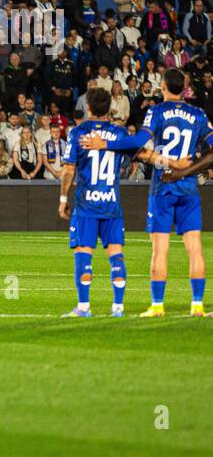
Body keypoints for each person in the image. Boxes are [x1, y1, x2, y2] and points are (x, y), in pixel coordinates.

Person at [82, 68, 210, 316]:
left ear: (162, 86)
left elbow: (136, 142)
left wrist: (105, 143)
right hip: (188, 188)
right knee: (195, 247)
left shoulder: (157, 111)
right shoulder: (198, 114)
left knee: (160, 248)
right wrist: (189, 167)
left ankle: (157, 305)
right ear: (184, 88)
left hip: (163, 187)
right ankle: (197, 305)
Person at [58, 88, 143, 318]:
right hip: (111, 204)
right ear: (109, 109)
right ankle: (118, 307)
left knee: (83, 253)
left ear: (88, 107)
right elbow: (136, 155)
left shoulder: (78, 133)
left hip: (86, 204)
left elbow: (68, 171)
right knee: (116, 254)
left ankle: (84, 307)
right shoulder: (119, 133)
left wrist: (63, 199)